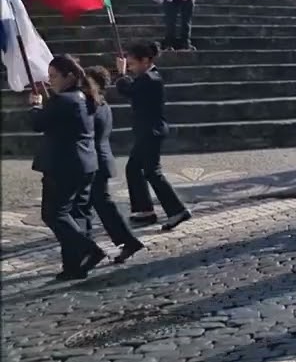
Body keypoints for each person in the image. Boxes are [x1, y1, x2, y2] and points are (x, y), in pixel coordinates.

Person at [30, 55, 108, 280]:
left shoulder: (64, 100)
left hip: (63, 166)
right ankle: (74, 265)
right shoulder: (83, 96)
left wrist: (35, 106)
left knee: (54, 214)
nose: (50, 80)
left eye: (54, 76)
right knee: (74, 214)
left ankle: (88, 249)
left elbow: (38, 124)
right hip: (84, 164)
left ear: (70, 76)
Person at [115, 41, 191, 231]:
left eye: (132, 64)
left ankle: (177, 210)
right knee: (134, 168)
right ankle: (144, 210)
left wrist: (121, 75)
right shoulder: (146, 77)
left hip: (151, 131)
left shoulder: (151, 79)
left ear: (146, 61)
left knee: (151, 171)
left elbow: (128, 90)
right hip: (146, 130)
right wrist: (124, 76)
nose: (130, 68)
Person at [82, 66, 145, 263]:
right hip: (101, 160)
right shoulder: (101, 104)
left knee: (97, 205)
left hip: (96, 162)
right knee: (95, 205)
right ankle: (92, 246)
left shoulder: (93, 106)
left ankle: (124, 242)